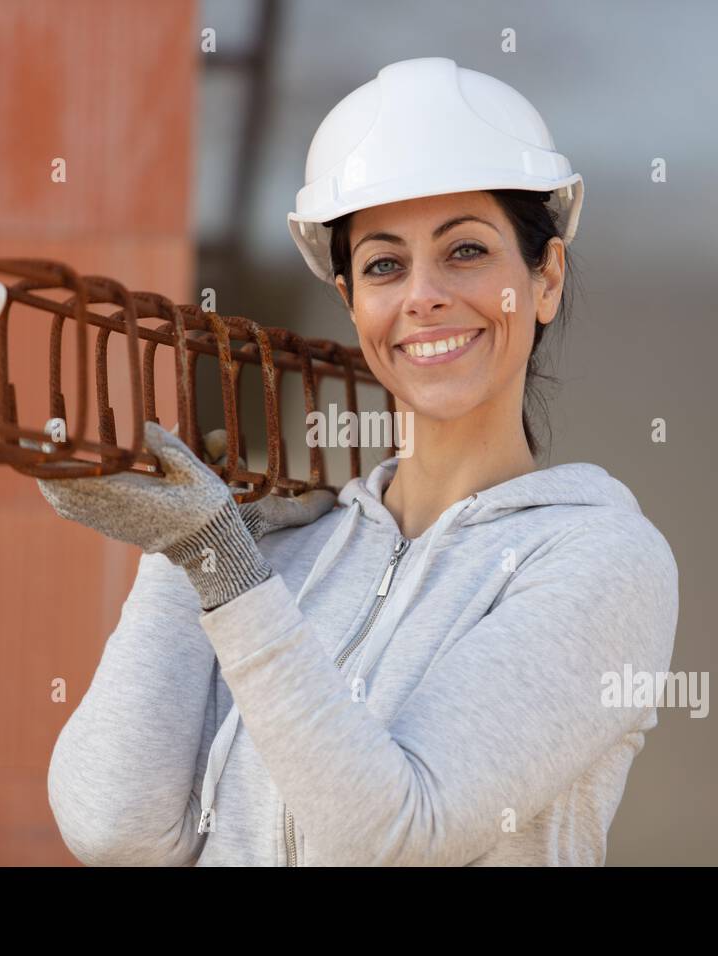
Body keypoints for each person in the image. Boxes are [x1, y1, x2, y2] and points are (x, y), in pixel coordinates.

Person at [40, 57, 679, 866]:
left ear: (545, 279)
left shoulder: (601, 563)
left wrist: (223, 564)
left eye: (467, 251)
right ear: (352, 303)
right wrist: (185, 553)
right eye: (384, 265)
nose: (423, 296)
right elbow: (114, 828)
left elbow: (396, 835)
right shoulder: (278, 555)